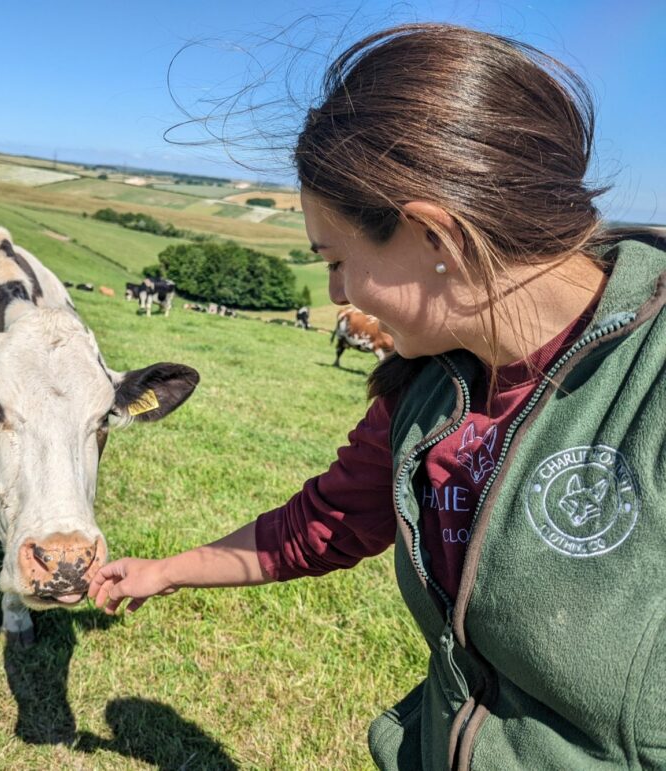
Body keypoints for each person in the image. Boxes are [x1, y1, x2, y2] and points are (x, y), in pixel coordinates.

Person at [88, 23, 665, 770]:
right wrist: (164, 571)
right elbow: (327, 520)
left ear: (436, 238)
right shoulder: (433, 383)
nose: (335, 294)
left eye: (335, 259)